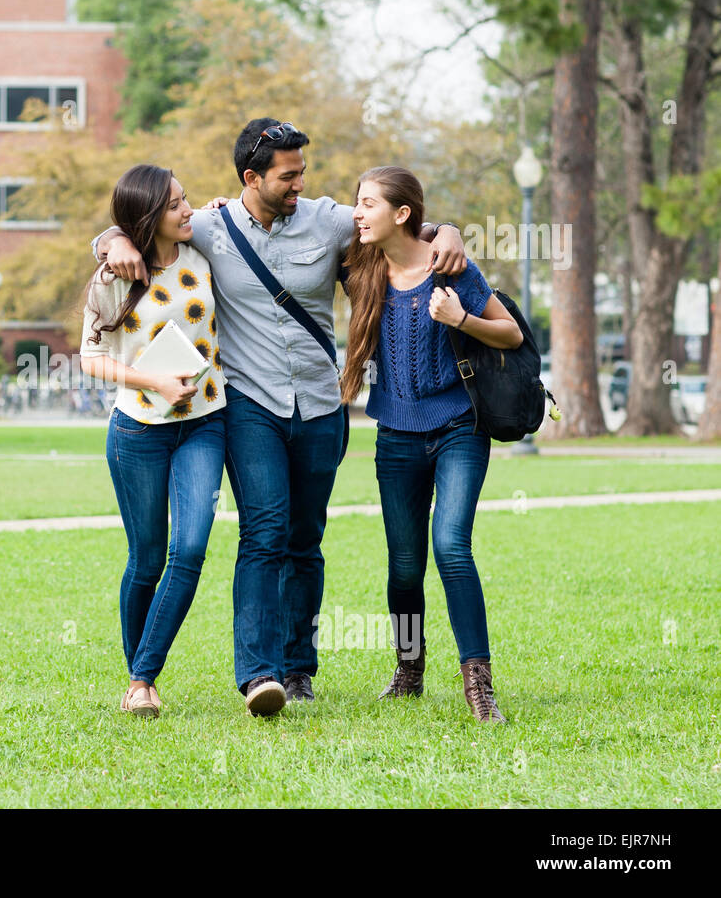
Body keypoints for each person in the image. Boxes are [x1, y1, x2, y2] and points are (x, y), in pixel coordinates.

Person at [95, 118, 468, 716]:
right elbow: (143, 219)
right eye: (288, 176)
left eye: (302, 173)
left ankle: (299, 670)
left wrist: (446, 229)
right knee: (263, 534)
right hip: (251, 406)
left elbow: (400, 224)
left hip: (322, 405)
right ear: (251, 178)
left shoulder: (328, 219)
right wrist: (110, 239)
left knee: (306, 541)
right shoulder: (209, 227)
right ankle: (259, 674)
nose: (300, 184)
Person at [342, 166, 520, 723]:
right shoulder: (360, 265)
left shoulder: (452, 268)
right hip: (394, 435)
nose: (357, 212)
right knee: (402, 564)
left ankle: (479, 685)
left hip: (458, 429)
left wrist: (462, 318)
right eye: (356, 202)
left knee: (451, 547)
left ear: (400, 214)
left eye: (368, 203)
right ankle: (409, 668)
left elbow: (511, 332)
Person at [79, 163, 227, 718]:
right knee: (145, 559)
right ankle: (139, 681)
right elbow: (90, 360)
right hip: (136, 430)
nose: (186, 210)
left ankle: (143, 678)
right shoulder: (114, 275)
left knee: (188, 549)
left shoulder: (204, 252)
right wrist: (152, 380)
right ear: (147, 217)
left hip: (205, 423)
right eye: (173, 205)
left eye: (185, 199)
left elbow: (230, 216)